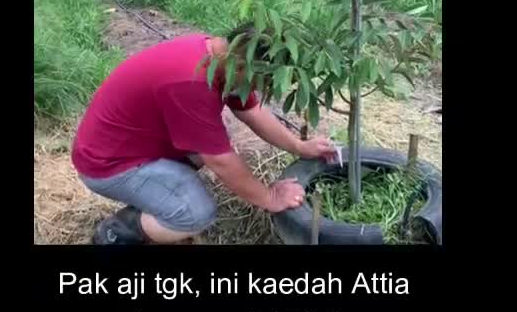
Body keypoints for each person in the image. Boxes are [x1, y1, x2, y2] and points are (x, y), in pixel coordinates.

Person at [72, 24, 336, 244]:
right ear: (245, 65)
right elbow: (220, 161)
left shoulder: (219, 56)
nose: (263, 89)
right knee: (196, 215)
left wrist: (299, 147)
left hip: (131, 146)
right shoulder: (191, 82)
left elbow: (252, 111)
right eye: (264, 82)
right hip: (109, 165)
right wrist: (269, 197)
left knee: (211, 145)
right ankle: (116, 233)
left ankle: (157, 196)